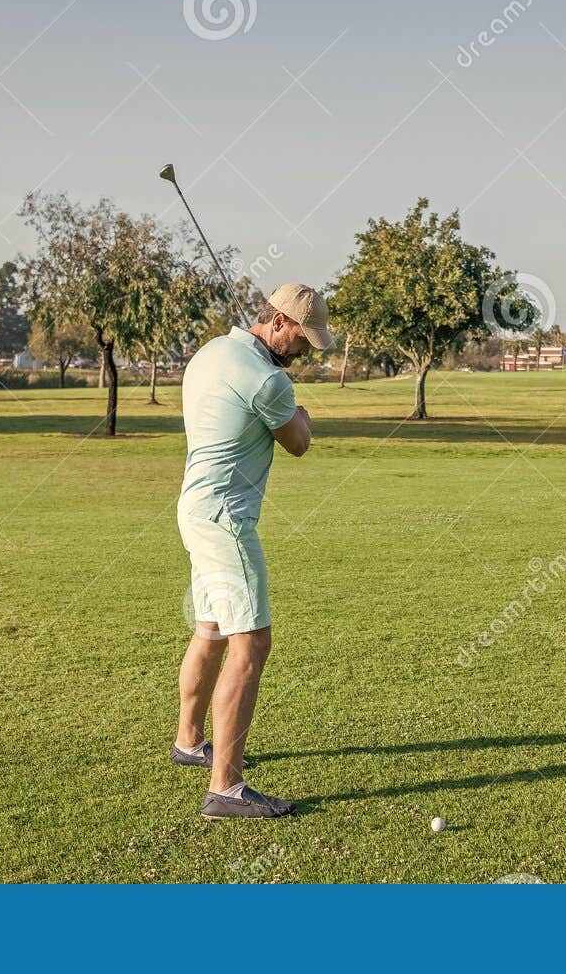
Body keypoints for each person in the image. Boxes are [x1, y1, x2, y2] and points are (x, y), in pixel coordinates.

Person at [172, 283, 333, 819]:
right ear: (281, 323)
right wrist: (301, 409)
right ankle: (225, 787)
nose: (307, 351)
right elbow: (299, 442)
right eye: (304, 339)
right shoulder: (267, 379)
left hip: (194, 509)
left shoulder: (211, 352)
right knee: (253, 643)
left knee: (212, 630)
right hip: (226, 521)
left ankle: (190, 741)